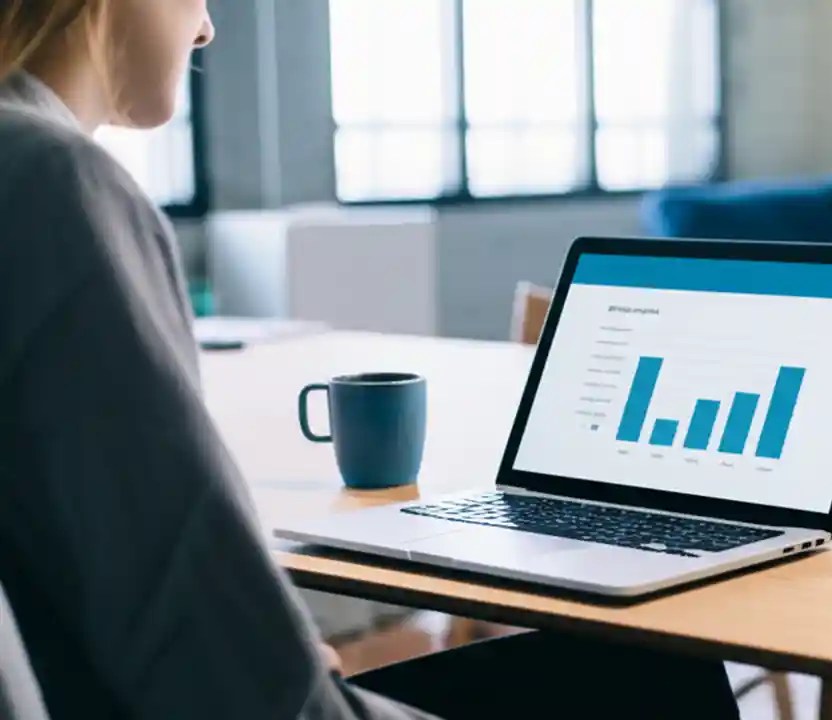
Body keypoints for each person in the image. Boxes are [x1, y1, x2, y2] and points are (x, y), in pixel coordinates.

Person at [0, 1, 739, 718]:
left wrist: (270, 648)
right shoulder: (55, 183)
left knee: (635, 660)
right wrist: (283, 662)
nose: (205, 28)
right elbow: (241, 687)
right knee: (659, 676)